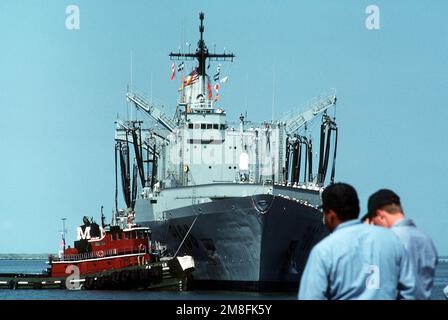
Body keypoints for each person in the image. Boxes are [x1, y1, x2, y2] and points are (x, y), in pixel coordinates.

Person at [298, 182, 416, 300]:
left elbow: (310, 296)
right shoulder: (392, 240)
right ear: (358, 209)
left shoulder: (324, 250)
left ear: (331, 214)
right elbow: (410, 290)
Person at [366, 189, 438, 300]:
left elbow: (377, 290)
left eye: (374, 222)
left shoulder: (387, 240)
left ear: (380, 215)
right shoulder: (427, 241)